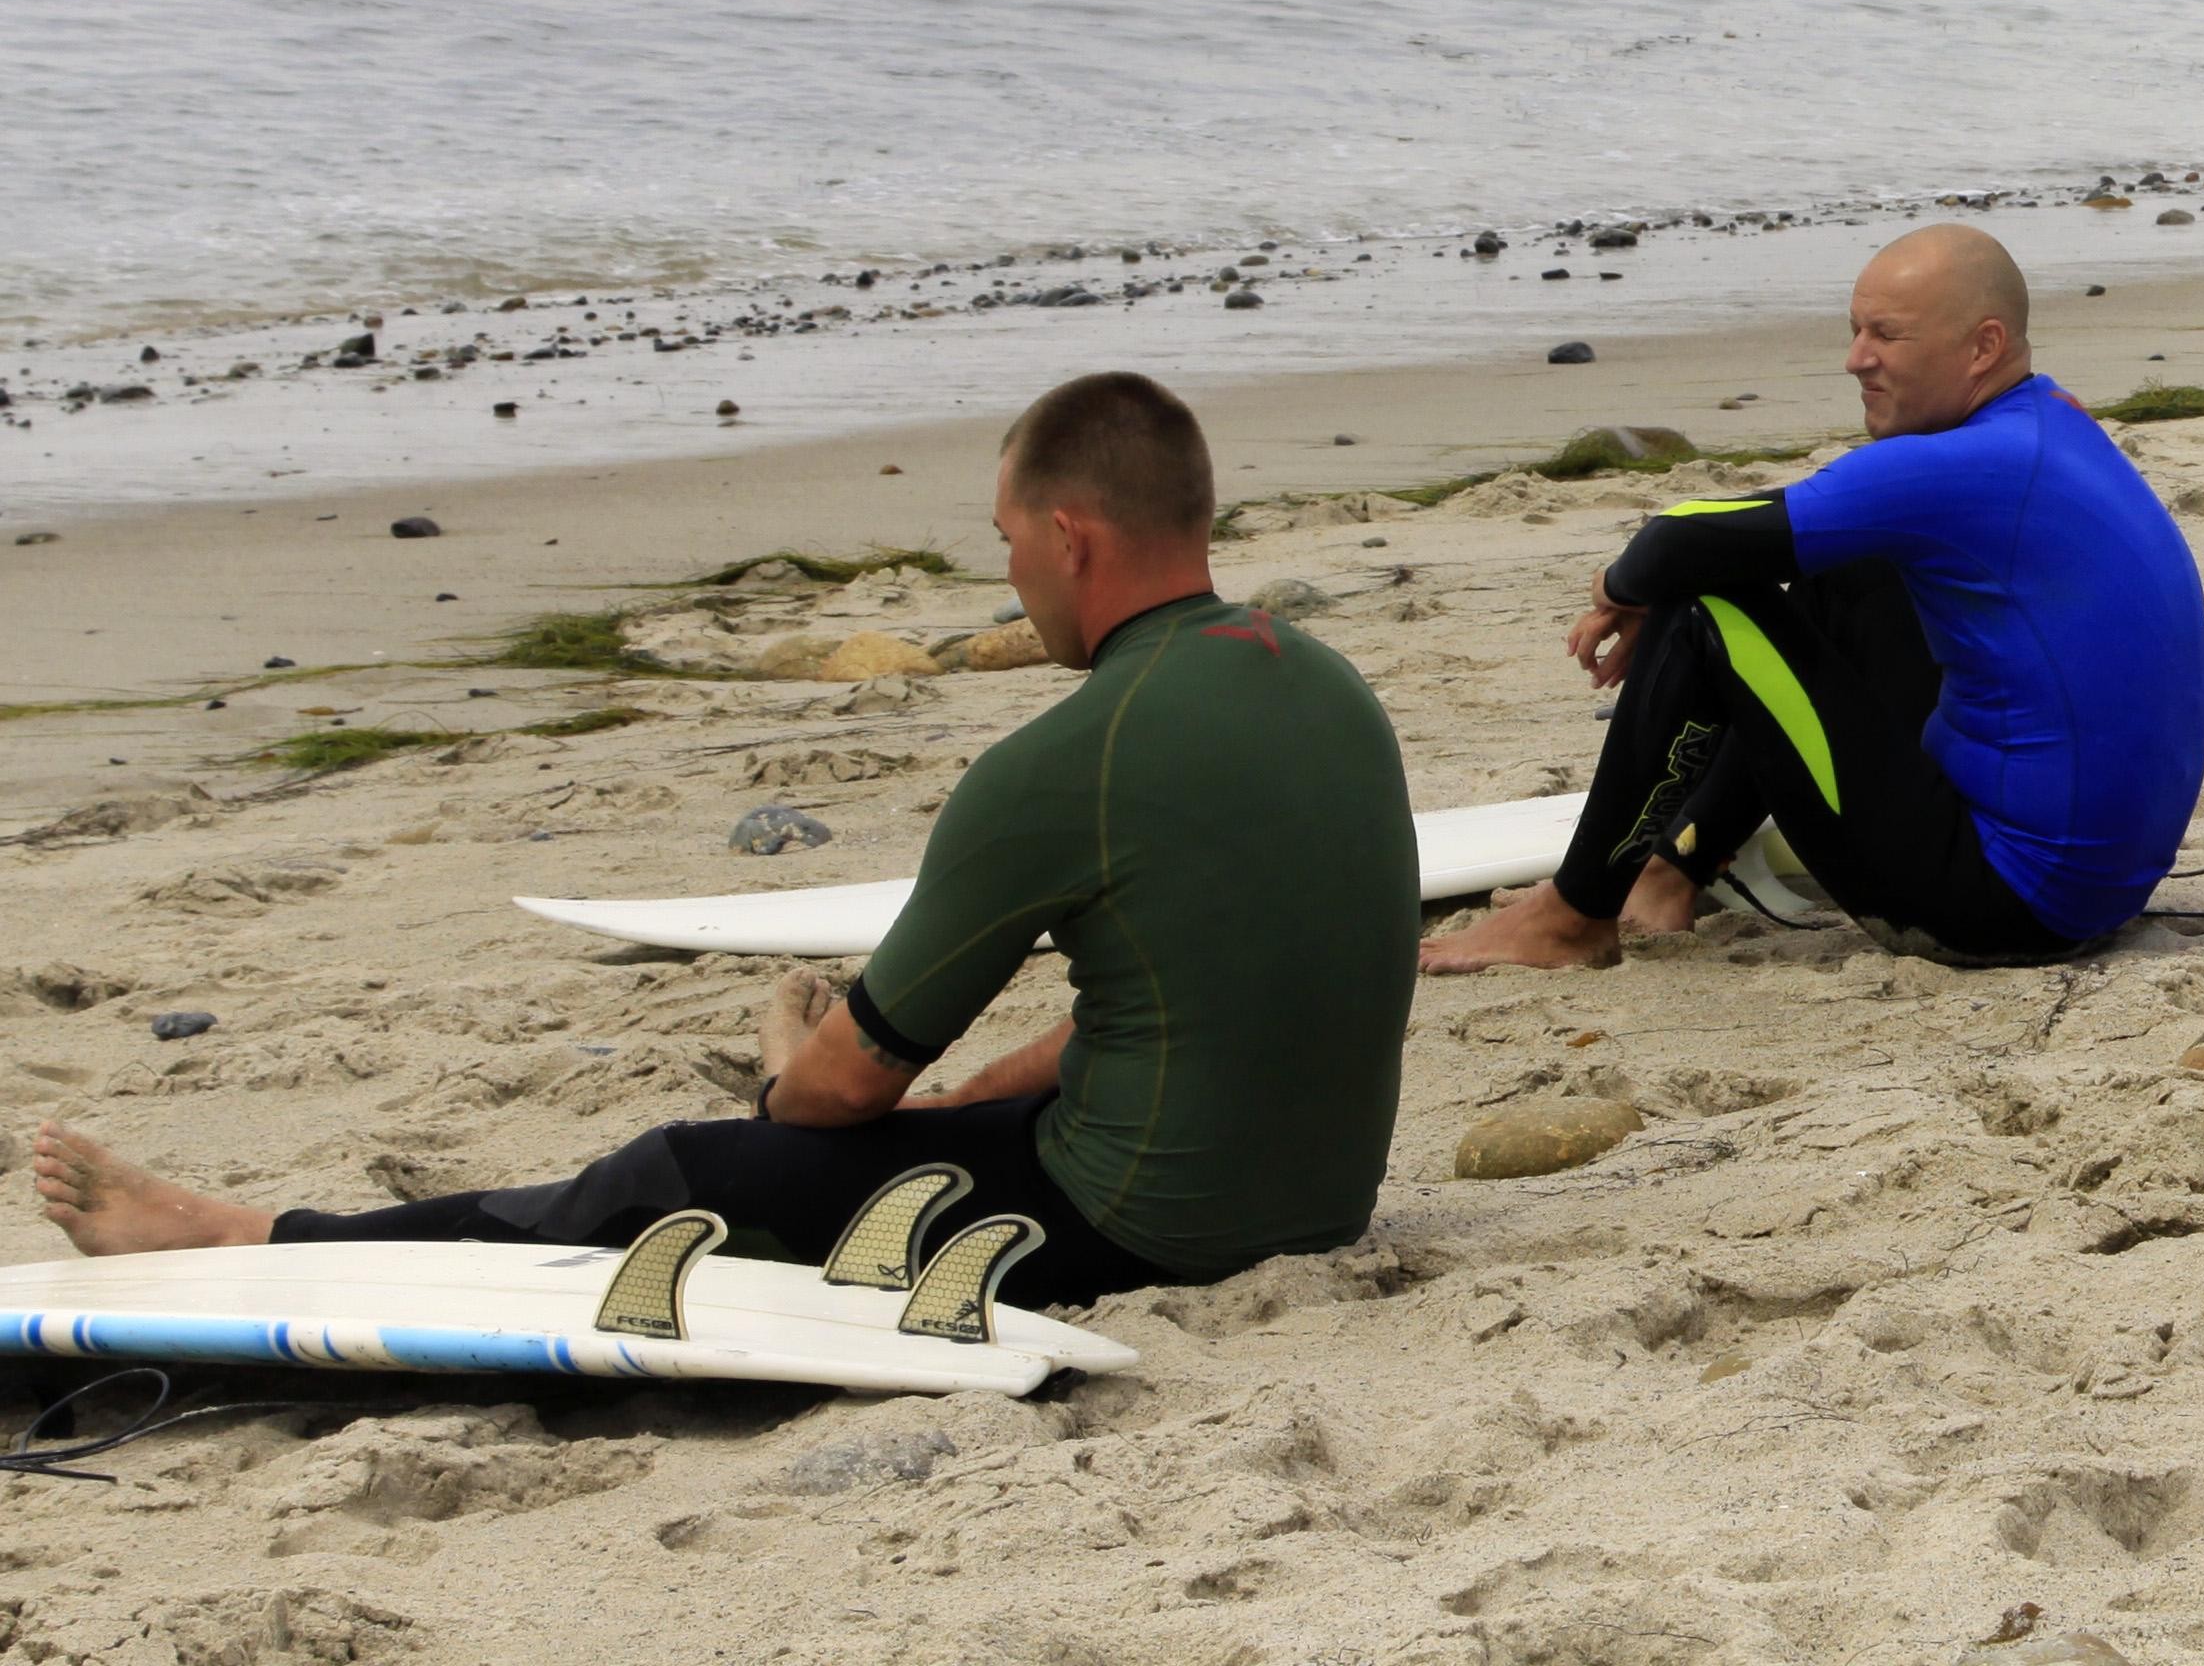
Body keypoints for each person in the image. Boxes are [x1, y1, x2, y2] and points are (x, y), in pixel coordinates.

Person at [29, 375, 1420, 1306]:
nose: (1003, 570)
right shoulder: (1330, 687)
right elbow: (1195, 992)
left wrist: (801, 1084)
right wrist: (947, 1104)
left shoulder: (1067, 761)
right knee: (916, 1107)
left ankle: (232, 1238)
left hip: (1146, 1232)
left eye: (1004, 541)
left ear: (1068, 537)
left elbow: (832, 1104)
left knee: (680, 1177)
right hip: (1321, 1203)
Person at [1422, 225, 2204, 974]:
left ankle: (1572, 917)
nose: (1854, 360)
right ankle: (1671, 870)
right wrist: (1653, 577)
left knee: (1706, 613)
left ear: (1984, 347)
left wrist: (1620, 590)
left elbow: (1677, 542)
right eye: (1854, 330)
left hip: (1999, 904)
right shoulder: (2051, 422)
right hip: (2091, 889)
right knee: (1855, 566)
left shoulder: (1963, 464)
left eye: (1885, 336)